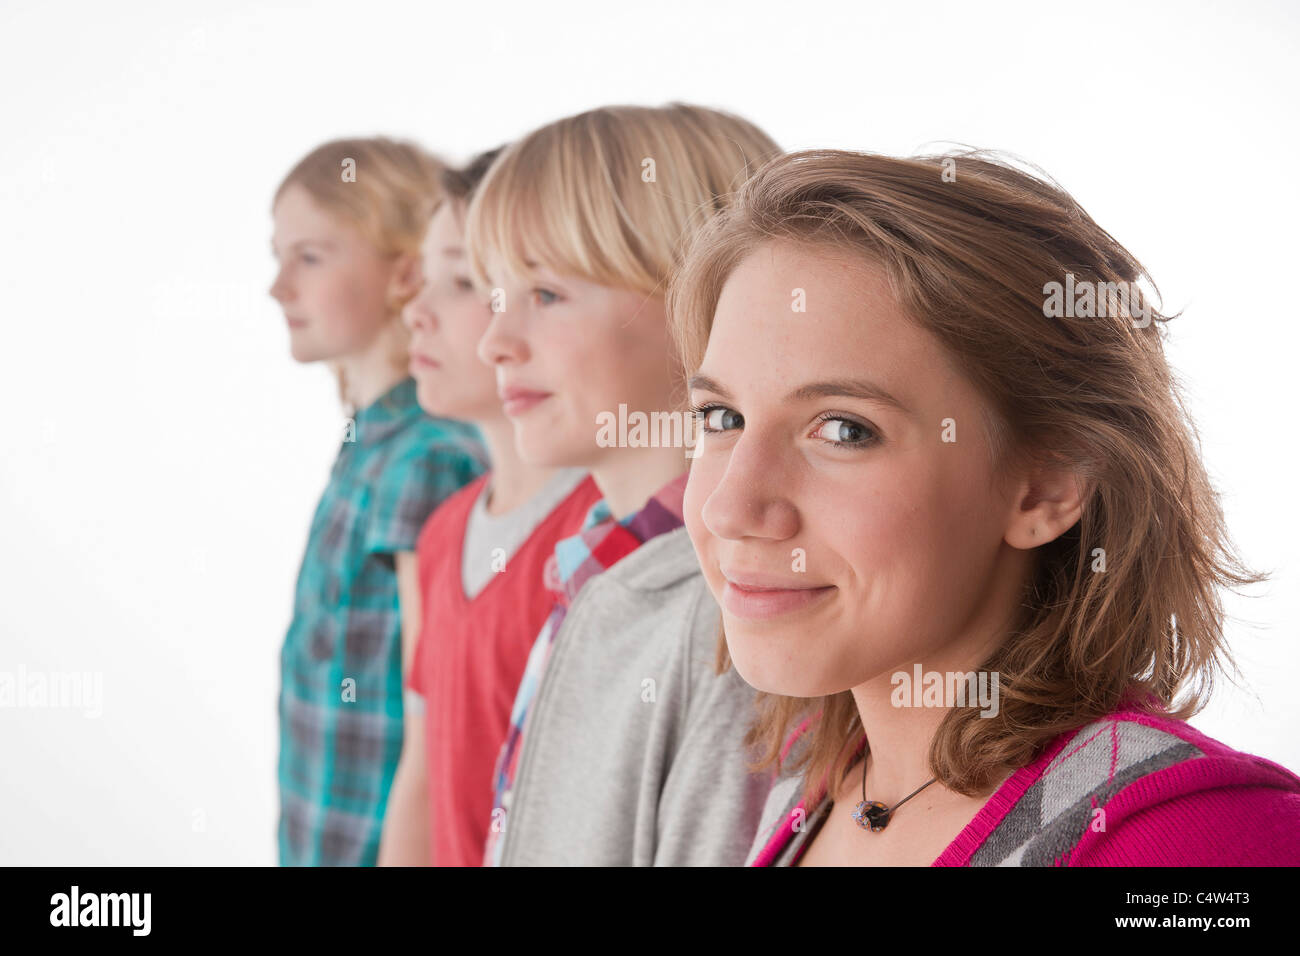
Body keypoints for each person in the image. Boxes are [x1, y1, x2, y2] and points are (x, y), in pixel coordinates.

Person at [669, 147, 1300, 866]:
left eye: (845, 429)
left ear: (1049, 486)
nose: (730, 508)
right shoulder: (816, 787)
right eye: (720, 417)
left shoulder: (1207, 847)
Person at [467, 104, 782, 865]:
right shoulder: (600, 568)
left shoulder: (739, 614)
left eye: (545, 294)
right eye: (493, 293)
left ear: (699, 298)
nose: (494, 342)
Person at [376, 149, 600, 866]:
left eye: (464, 282)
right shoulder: (443, 531)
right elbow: (424, 770)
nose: (415, 311)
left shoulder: (609, 530)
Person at [269, 137, 486, 866]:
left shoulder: (425, 460)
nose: (278, 288)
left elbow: (436, 731)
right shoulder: (375, 448)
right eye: (279, 256)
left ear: (403, 272)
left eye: (310, 256)